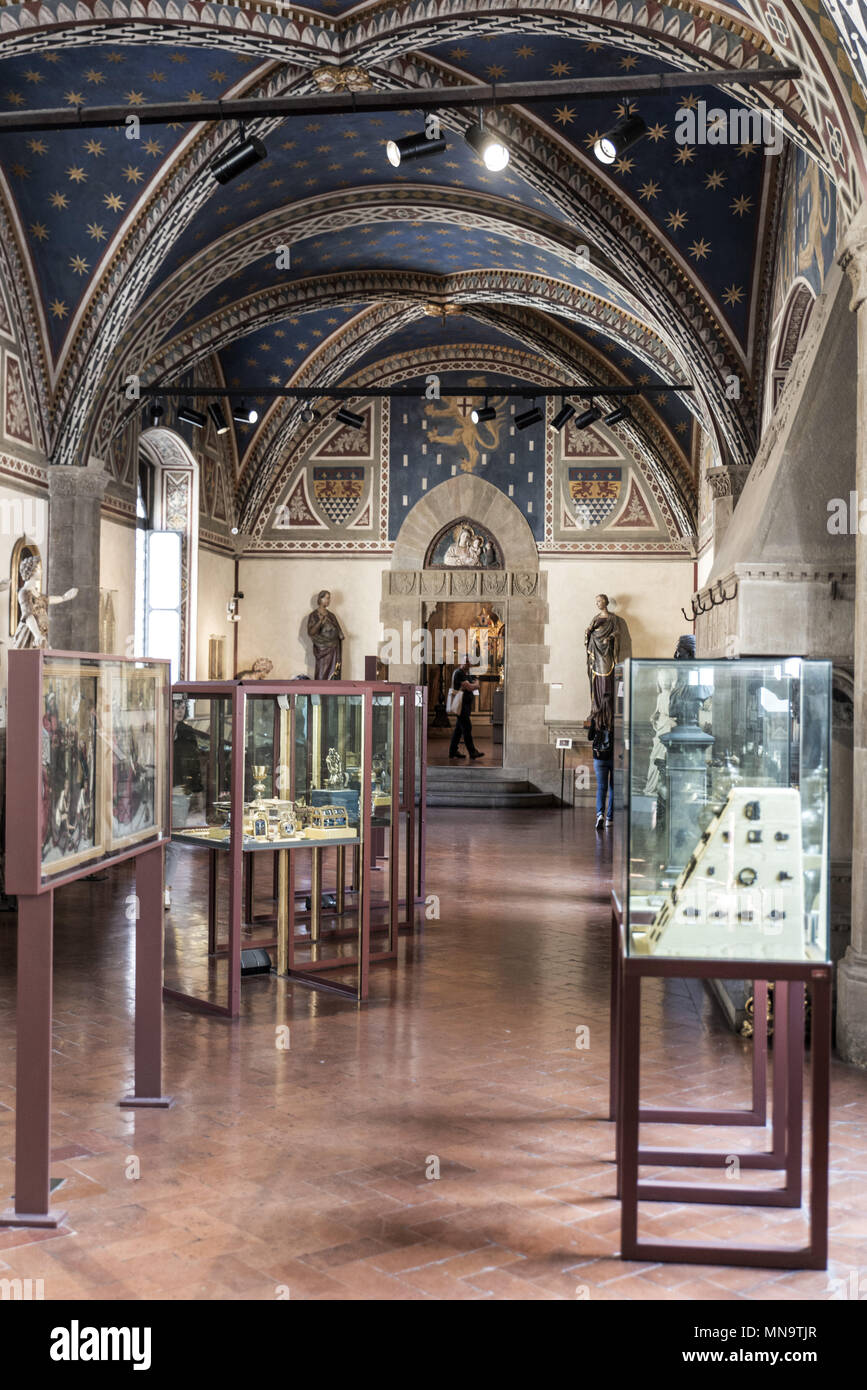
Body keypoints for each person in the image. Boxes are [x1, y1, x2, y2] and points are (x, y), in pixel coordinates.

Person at [449, 657, 484, 761]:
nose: (468, 664)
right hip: (461, 706)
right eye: (466, 661)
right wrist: (475, 685)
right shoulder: (459, 673)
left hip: (465, 706)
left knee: (459, 730)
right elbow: (470, 687)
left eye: (470, 662)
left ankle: (453, 751)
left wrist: (474, 685)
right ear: (461, 662)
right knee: (467, 728)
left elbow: (474, 684)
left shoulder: (467, 674)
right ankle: (472, 752)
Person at [306, 590, 344, 679]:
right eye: (326, 598)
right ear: (320, 599)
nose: (328, 600)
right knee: (322, 671)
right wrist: (320, 621)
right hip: (322, 648)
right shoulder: (314, 615)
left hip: (334, 647)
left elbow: (339, 632)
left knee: (334, 672)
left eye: (329, 598)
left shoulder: (331, 615)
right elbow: (311, 632)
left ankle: (333, 691)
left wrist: (340, 635)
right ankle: (320, 691)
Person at [588, 717, 613, 830]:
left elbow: (590, 737)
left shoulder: (597, 718)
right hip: (614, 757)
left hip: (599, 757)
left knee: (601, 787)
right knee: (613, 788)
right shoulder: (614, 718)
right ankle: (610, 818)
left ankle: (600, 814)